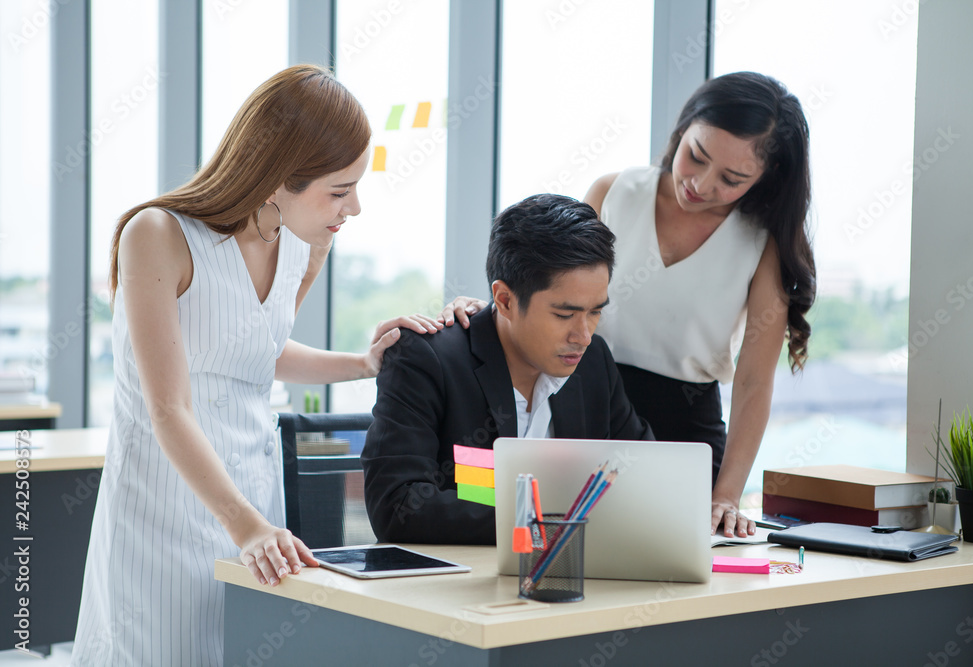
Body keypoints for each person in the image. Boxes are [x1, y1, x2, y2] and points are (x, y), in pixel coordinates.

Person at [71, 65, 442, 666]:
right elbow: (168, 406)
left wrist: (364, 363)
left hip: (256, 512)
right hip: (165, 514)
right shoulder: (158, 234)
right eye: (340, 191)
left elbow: (256, 353)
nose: (355, 207)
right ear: (277, 176)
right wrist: (244, 525)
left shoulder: (297, 240)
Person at [443, 72, 815, 540]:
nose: (700, 184)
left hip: (684, 428)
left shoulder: (762, 242)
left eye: (731, 179)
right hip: (585, 404)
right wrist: (493, 312)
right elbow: (551, 287)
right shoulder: (614, 192)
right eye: (696, 156)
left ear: (765, 177)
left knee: (669, 559)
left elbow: (754, 382)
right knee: (557, 545)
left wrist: (726, 494)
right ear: (683, 128)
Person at [362, 194, 654, 545]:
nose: (584, 336)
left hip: (573, 573)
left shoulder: (593, 362)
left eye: (595, 312)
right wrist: (547, 523)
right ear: (504, 300)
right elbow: (397, 506)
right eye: (564, 315)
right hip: (461, 576)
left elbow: (645, 471)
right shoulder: (426, 359)